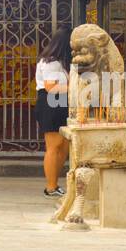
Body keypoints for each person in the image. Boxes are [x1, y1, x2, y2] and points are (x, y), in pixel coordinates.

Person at [35, 29, 70, 198]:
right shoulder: (51, 63)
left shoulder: (59, 63)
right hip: (51, 102)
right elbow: (50, 87)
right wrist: (75, 89)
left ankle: (55, 183)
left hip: (59, 102)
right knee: (54, 147)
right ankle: (50, 186)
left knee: (64, 147)